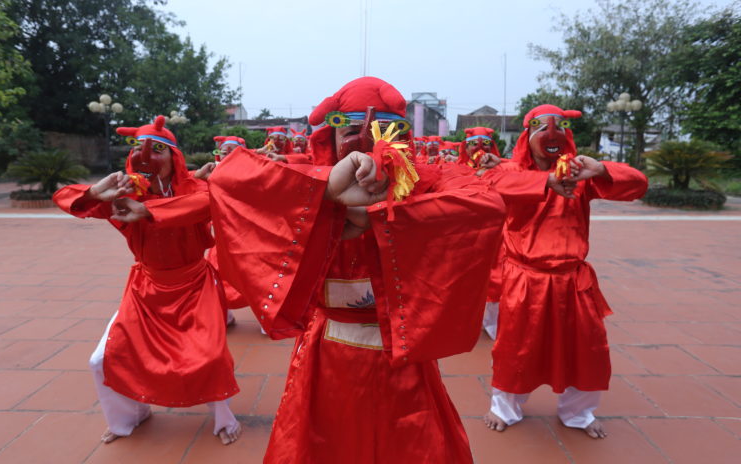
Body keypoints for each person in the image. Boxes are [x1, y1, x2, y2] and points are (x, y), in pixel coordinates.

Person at [208, 76, 516, 463]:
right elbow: (227, 182)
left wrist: (382, 217)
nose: (365, 142)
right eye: (349, 129)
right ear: (330, 138)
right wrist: (326, 196)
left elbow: (487, 205)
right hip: (326, 351)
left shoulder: (430, 180)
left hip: (401, 350)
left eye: (383, 131)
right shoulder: (310, 176)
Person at [53, 115, 242, 445]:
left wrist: (150, 212)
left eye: (158, 150)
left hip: (194, 286)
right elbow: (68, 199)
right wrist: (96, 193)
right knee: (103, 359)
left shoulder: (196, 189)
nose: (148, 159)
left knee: (210, 357)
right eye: (140, 152)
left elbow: (205, 202)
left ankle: (224, 420)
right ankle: (129, 417)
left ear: (174, 157)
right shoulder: (126, 195)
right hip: (147, 289)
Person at [482, 104, 648, 438]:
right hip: (525, 278)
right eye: (541, 129)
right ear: (527, 137)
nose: (550, 136)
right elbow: (494, 183)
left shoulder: (578, 173)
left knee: (587, 350)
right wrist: (546, 181)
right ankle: (505, 408)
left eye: (558, 129)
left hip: (573, 279)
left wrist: (600, 169)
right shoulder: (511, 170)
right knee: (516, 349)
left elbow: (638, 185)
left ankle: (578, 414)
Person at [458, 127, 504, 338]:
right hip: (465, 233)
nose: (480, 149)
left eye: (486, 144)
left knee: (496, 277)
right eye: (474, 144)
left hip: (496, 232)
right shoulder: (456, 169)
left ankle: (493, 322)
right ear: (465, 147)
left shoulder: (502, 169)